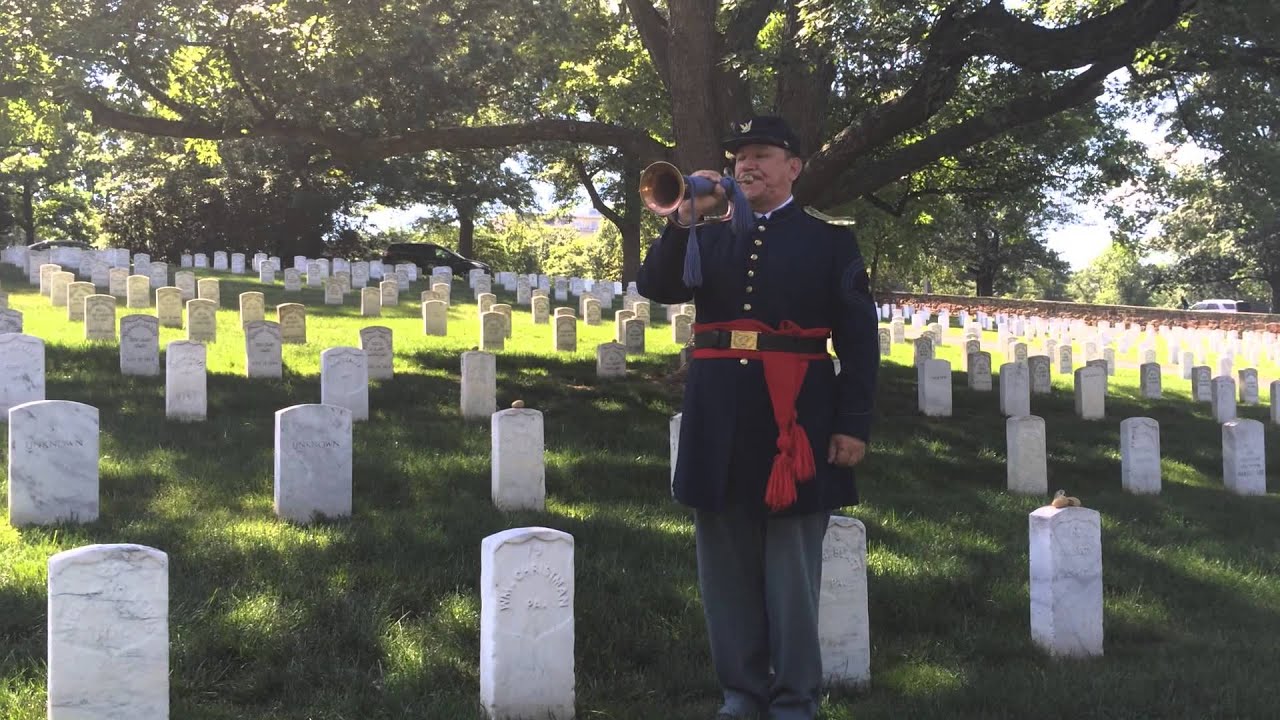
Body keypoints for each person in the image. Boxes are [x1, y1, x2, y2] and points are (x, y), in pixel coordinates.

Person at [636, 116, 879, 720]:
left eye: (763, 155)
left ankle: (795, 698)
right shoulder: (709, 235)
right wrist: (681, 221)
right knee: (725, 573)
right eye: (741, 156)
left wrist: (853, 421)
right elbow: (657, 286)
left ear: (793, 167)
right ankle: (741, 695)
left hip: (796, 421)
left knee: (792, 572)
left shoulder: (829, 241)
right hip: (718, 419)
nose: (748, 165)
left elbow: (859, 339)